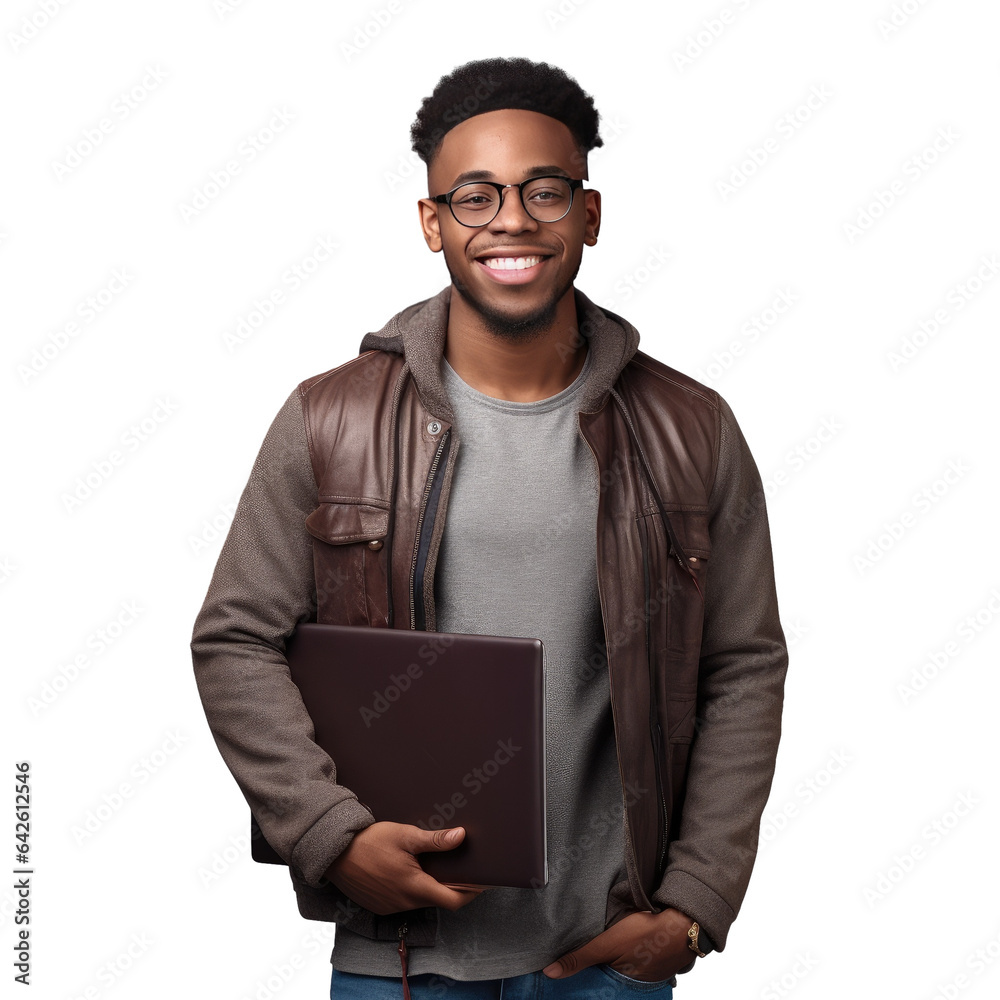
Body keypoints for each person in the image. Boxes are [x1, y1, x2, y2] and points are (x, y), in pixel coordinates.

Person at [191, 56, 788, 999]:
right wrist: (329, 835)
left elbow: (743, 665)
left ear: (589, 214)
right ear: (432, 224)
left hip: (609, 953)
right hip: (401, 953)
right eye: (475, 196)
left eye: (544, 190)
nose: (512, 219)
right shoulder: (327, 421)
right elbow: (235, 641)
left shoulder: (693, 430)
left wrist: (698, 900)